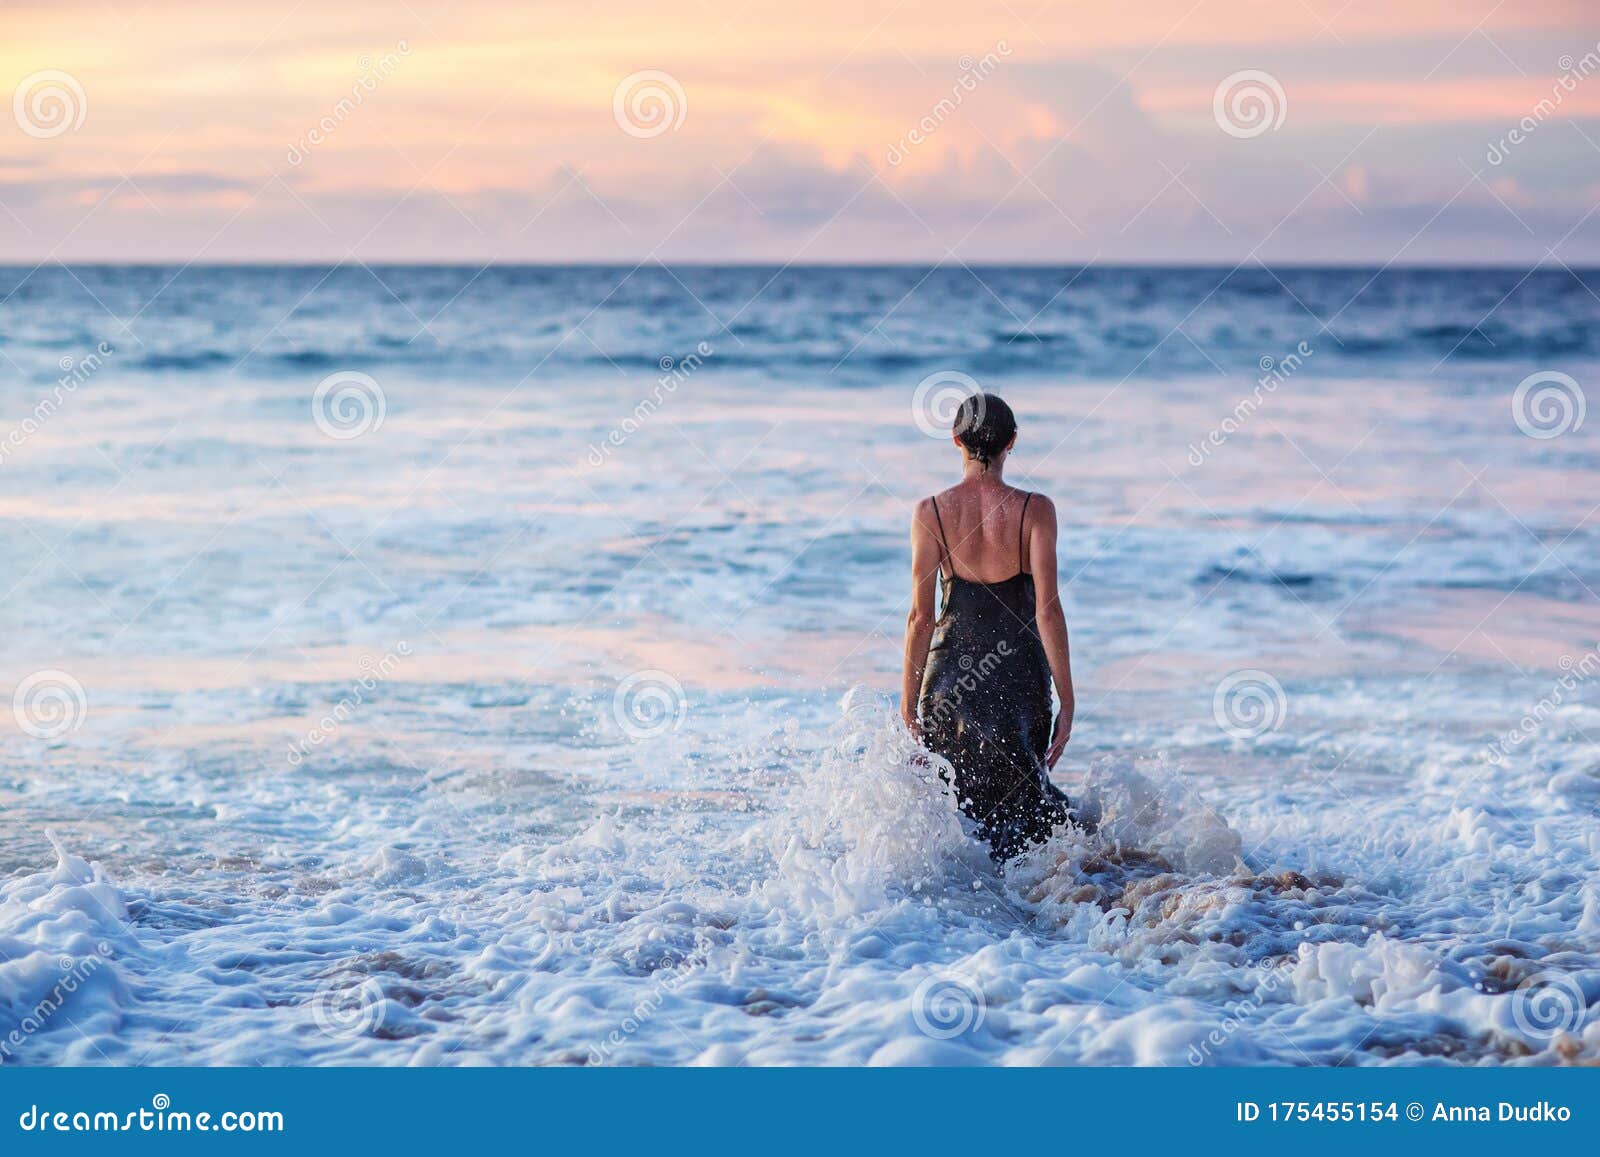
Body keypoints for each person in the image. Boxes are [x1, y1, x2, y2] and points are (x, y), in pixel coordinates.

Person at [901, 392, 1082, 861]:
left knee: (953, 815)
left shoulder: (930, 512)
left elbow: (921, 618)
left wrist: (908, 706)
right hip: (1019, 684)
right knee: (1026, 821)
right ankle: (1051, 895)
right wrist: (1067, 700)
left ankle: (957, 902)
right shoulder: (1036, 509)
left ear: (956, 439)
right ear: (1012, 442)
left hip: (950, 687)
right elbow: (1048, 611)